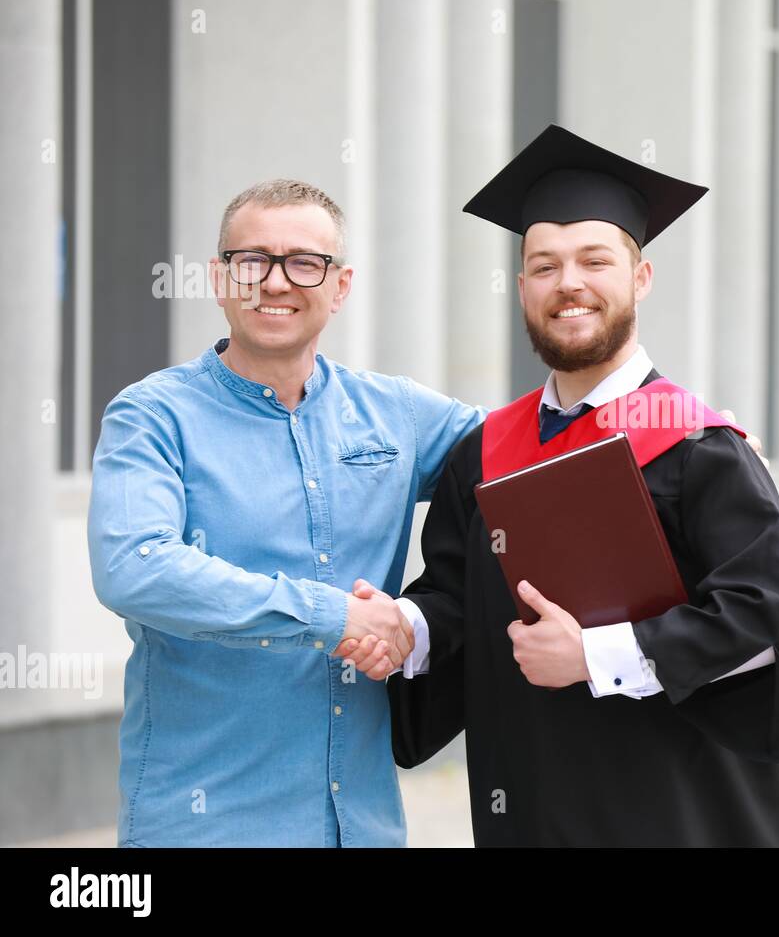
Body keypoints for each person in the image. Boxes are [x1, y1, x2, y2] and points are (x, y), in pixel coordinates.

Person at [358, 125, 779, 846]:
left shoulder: (698, 446)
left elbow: (767, 621)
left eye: (594, 261)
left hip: (682, 812)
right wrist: (406, 627)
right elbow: (458, 597)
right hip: (531, 805)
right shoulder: (484, 452)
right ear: (521, 288)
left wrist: (594, 656)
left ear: (639, 279)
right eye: (543, 266)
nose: (568, 283)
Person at [87, 180, 484, 846]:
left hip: (362, 827)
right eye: (252, 261)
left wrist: (671, 426)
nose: (276, 283)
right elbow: (134, 567)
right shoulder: (153, 416)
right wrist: (334, 616)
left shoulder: (397, 414)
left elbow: (532, 456)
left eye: (304, 262)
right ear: (219, 279)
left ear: (340, 285)